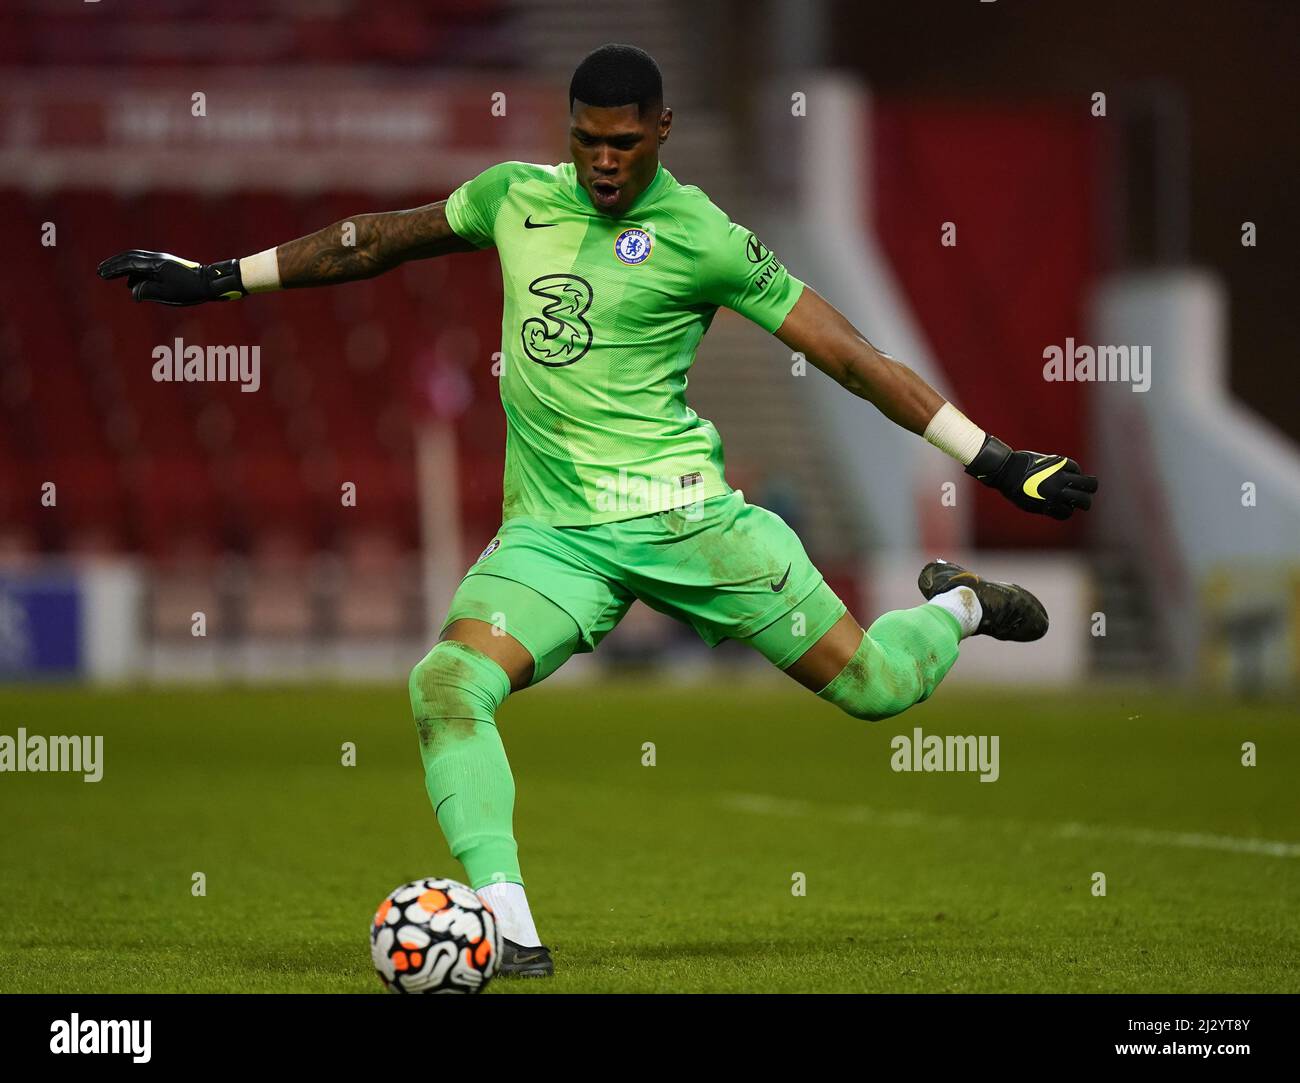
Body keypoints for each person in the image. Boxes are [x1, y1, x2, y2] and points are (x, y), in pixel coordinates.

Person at [99, 43, 1098, 978]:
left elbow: (849, 355)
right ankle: (510, 931)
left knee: (878, 690)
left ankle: (958, 606)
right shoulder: (512, 198)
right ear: (566, 131)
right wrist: (221, 280)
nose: (604, 160)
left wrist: (993, 459)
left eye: (624, 141)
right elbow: (374, 244)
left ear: (663, 129)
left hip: (687, 521)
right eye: (587, 139)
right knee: (445, 685)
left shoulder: (704, 236)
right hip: (551, 538)